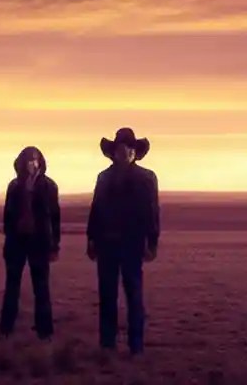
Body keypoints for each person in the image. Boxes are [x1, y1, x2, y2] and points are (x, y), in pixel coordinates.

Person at [87, 128, 160, 356]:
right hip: (107, 243)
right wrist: (91, 239)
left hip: (132, 243)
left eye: (129, 148)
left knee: (134, 294)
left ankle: (135, 346)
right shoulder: (104, 177)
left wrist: (152, 242)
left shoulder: (147, 178)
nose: (125, 152)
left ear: (135, 152)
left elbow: (152, 213)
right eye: (121, 148)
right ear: (114, 152)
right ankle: (107, 344)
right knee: (107, 295)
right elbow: (96, 210)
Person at [0, 145, 61, 340]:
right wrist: (8, 237)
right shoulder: (14, 186)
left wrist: (54, 245)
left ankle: (45, 331)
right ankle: (6, 329)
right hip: (16, 242)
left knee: (41, 288)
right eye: (28, 160)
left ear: (40, 163)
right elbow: (7, 216)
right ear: (20, 163)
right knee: (12, 286)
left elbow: (55, 217)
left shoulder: (48, 186)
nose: (31, 164)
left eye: (35, 159)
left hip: (39, 242)